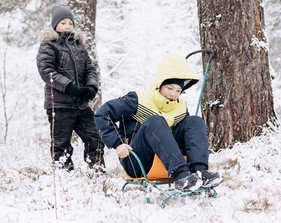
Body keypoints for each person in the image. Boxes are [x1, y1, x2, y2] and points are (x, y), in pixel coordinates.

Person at [94, 54, 223, 191]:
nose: (173, 94)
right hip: (138, 161)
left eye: (178, 90)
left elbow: (188, 135)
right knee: (155, 121)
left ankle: (200, 172)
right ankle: (181, 175)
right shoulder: (138, 99)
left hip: (166, 159)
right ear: (159, 84)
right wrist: (118, 143)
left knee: (195, 121)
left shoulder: (179, 107)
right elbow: (102, 114)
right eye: (169, 88)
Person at [36, 5, 104, 172]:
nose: (67, 26)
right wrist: (69, 87)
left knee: (95, 137)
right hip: (59, 105)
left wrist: (91, 87)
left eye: (70, 23)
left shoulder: (79, 46)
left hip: (81, 104)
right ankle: (64, 178)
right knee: (61, 145)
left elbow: (90, 69)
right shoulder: (49, 45)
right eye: (63, 22)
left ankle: (96, 173)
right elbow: (46, 71)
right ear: (55, 25)